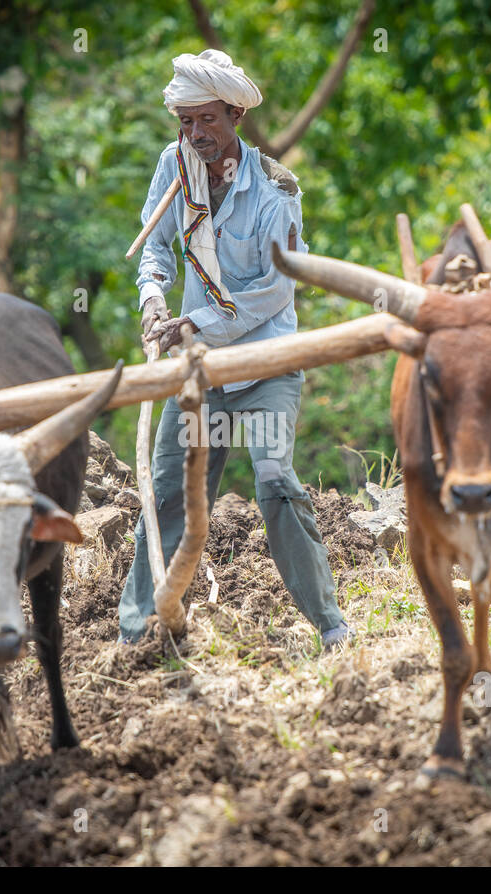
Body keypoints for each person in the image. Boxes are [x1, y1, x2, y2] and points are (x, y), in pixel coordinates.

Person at [118, 49, 354, 648]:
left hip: (266, 363)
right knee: (169, 491)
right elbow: (154, 248)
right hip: (199, 370)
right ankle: (135, 632)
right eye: (186, 121)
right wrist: (151, 297)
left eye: (208, 121)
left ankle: (332, 627)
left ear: (235, 117)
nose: (197, 134)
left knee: (275, 481)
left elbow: (275, 291)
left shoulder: (277, 189)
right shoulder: (174, 165)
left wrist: (192, 323)